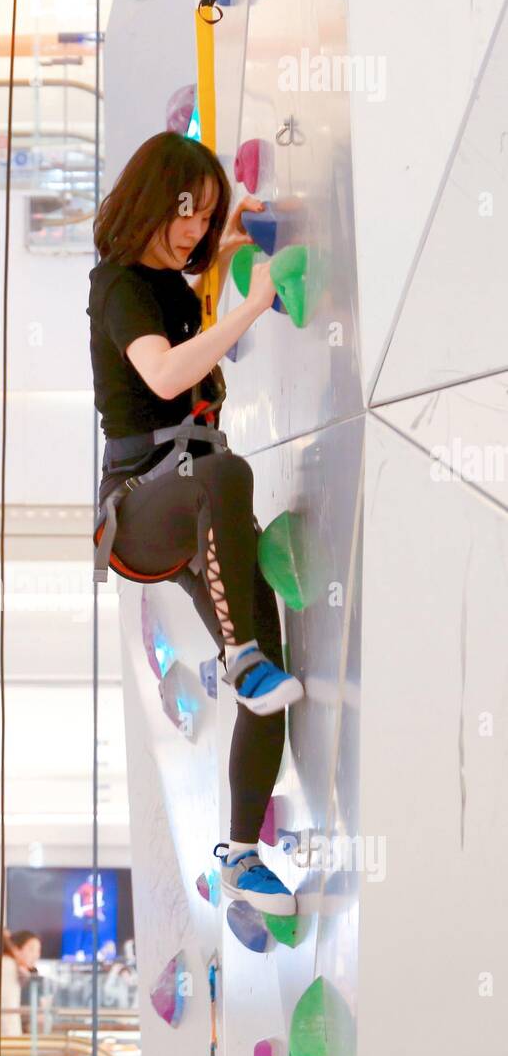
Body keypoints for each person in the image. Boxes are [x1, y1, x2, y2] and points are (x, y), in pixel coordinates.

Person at [89, 130, 304, 917]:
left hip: (196, 504)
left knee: (275, 686)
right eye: (187, 212)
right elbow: (167, 371)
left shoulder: (173, 286)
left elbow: (192, 292)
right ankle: (239, 653)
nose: (192, 229)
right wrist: (251, 303)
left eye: (203, 216)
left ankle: (243, 855)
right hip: (144, 505)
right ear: (152, 202)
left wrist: (233, 233)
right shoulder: (115, 286)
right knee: (224, 473)